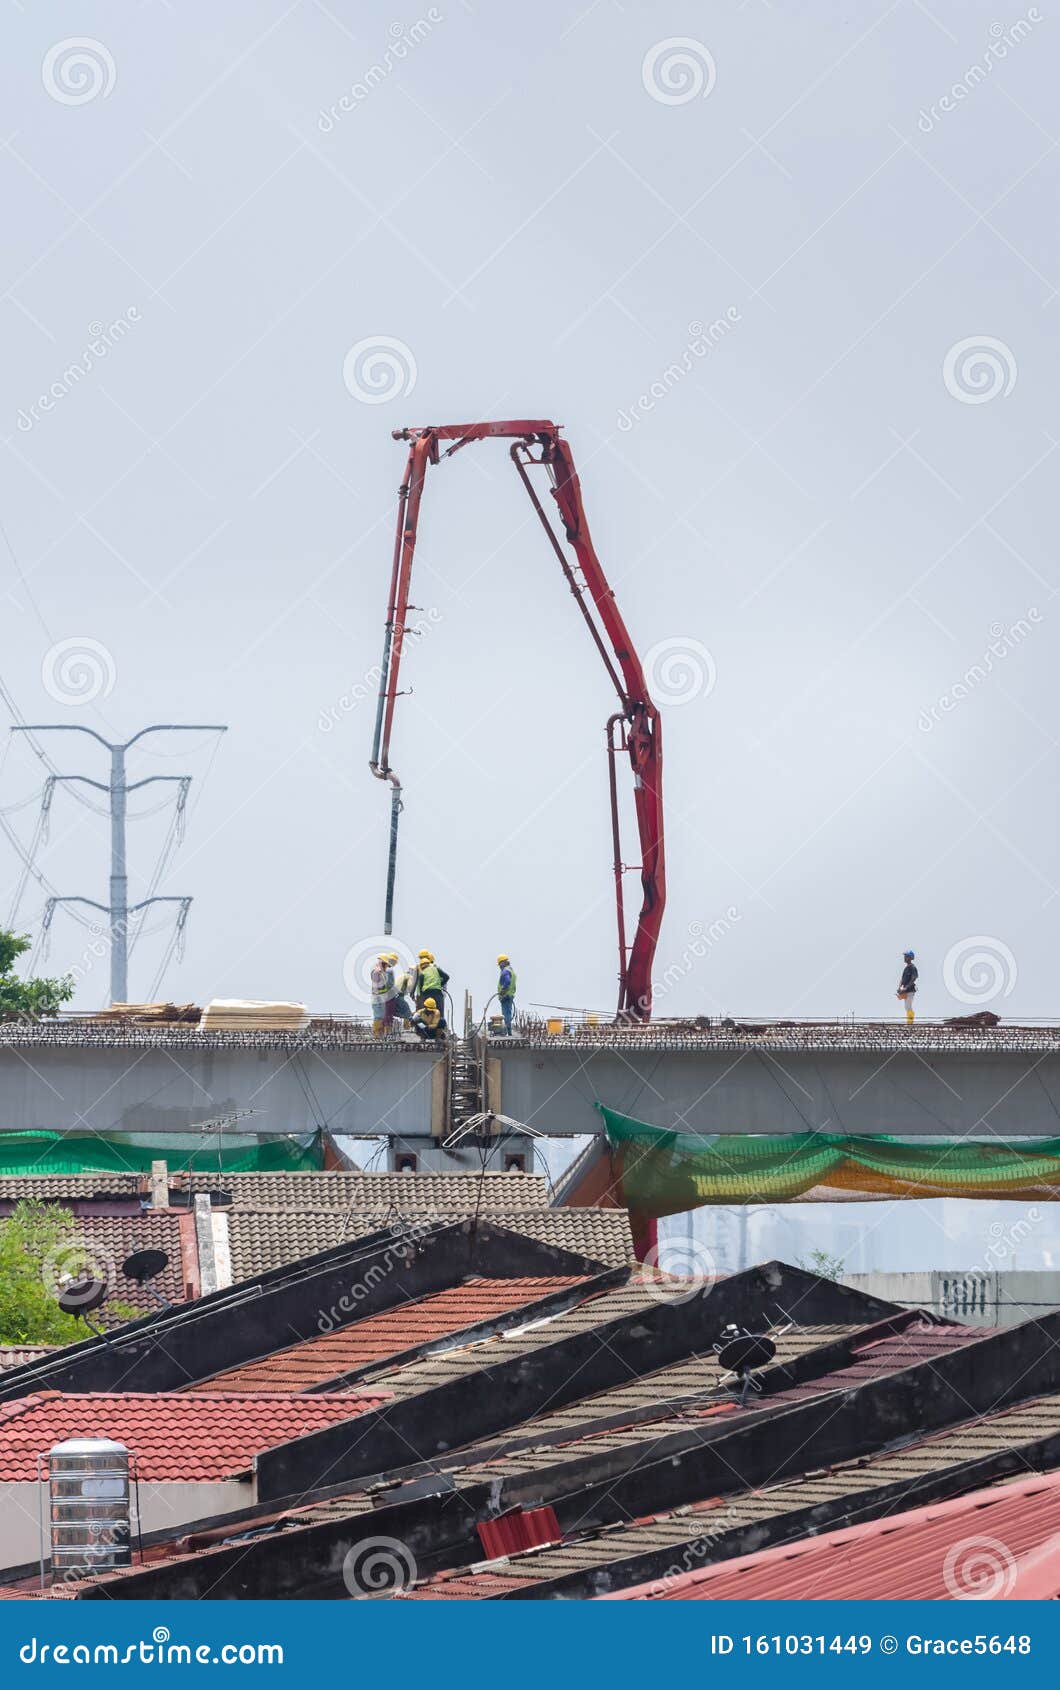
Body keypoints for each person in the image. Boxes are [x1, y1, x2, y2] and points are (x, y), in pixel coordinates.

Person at [416, 950, 449, 1026]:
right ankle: (439, 1033)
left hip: (426, 994)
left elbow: (420, 987)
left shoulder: (422, 973)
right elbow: (447, 977)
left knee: (425, 1013)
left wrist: (421, 997)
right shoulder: (436, 969)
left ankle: (424, 1033)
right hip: (437, 993)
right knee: (440, 1013)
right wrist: (439, 985)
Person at [370, 953, 389, 1038]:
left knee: (381, 1016)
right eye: (386, 964)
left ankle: (380, 1034)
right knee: (378, 1016)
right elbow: (376, 986)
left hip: (381, 997)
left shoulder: (381, 972)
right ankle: (376, 1035)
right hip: (377, 997)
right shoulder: (376, 972)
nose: (387, 967)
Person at [496, 953, 516, 1034]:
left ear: (503, 963)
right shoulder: (511, 970)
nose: (499, 966)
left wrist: (502, 991)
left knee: (506, 1014)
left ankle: (508, 1032)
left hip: (505, 996)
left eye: (500, 964)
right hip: (510, 995)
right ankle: (509, 1031)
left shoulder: (505, 971)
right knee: (508, 1013)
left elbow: (507, 981)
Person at [897, 949, 918, 1024]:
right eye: (905, 956)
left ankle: (910, 1022)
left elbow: (913, 978)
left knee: (908, 1006)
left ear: (910, 958)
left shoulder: (912, 967)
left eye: (906, 956)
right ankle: (909, 1021)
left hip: (910, 990)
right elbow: (902, 979)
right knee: (906, 1007)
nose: (905, 958)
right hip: (905, 990)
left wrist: (906, 987)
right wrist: (900, 988)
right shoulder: (906, 968)